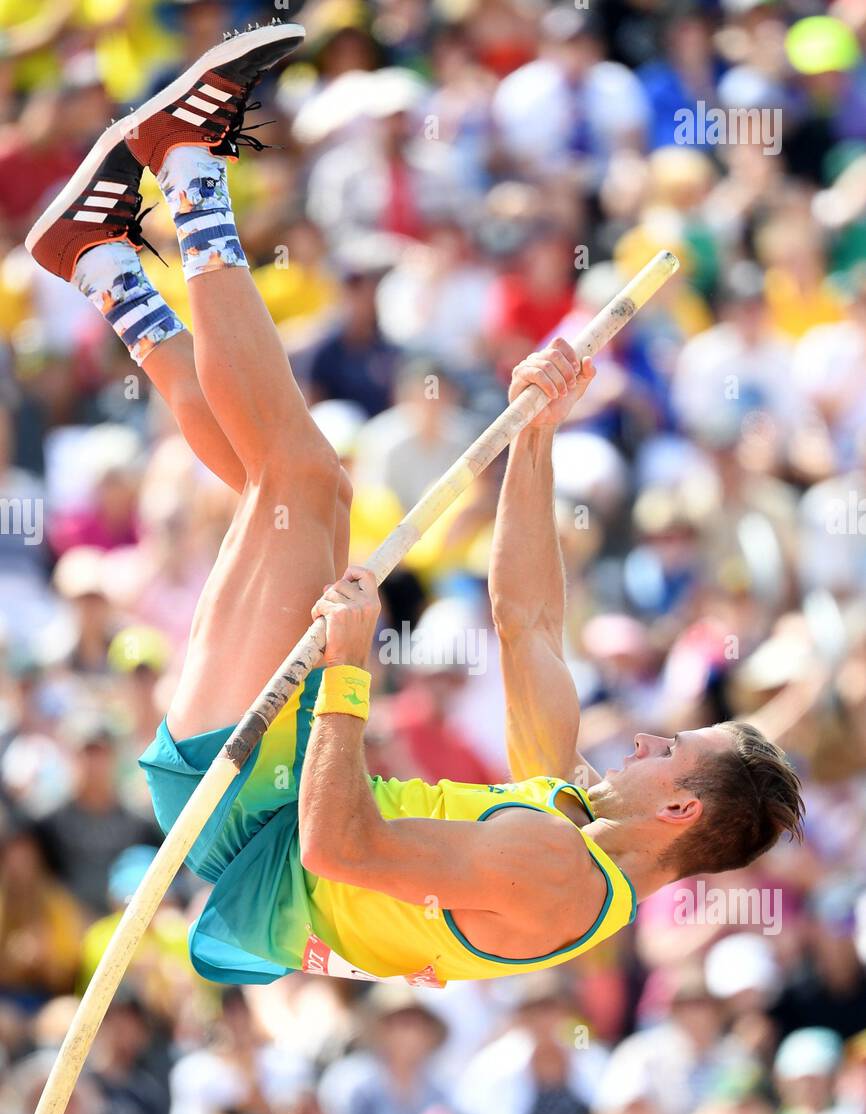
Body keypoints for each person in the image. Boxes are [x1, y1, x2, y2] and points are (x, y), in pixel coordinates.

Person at [27, 23, 805, 994]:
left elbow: (339, 844)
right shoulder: (564, 816)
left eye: (665, 751)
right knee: (271, 498)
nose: (642, 736)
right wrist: (536, 433)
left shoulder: (557, 875)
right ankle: (100, 263)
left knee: (303, 486)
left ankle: (185, 163)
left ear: (679, 811)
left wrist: (351, 667)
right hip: (273, 803)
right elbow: (525, 621)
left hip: (256, 814)